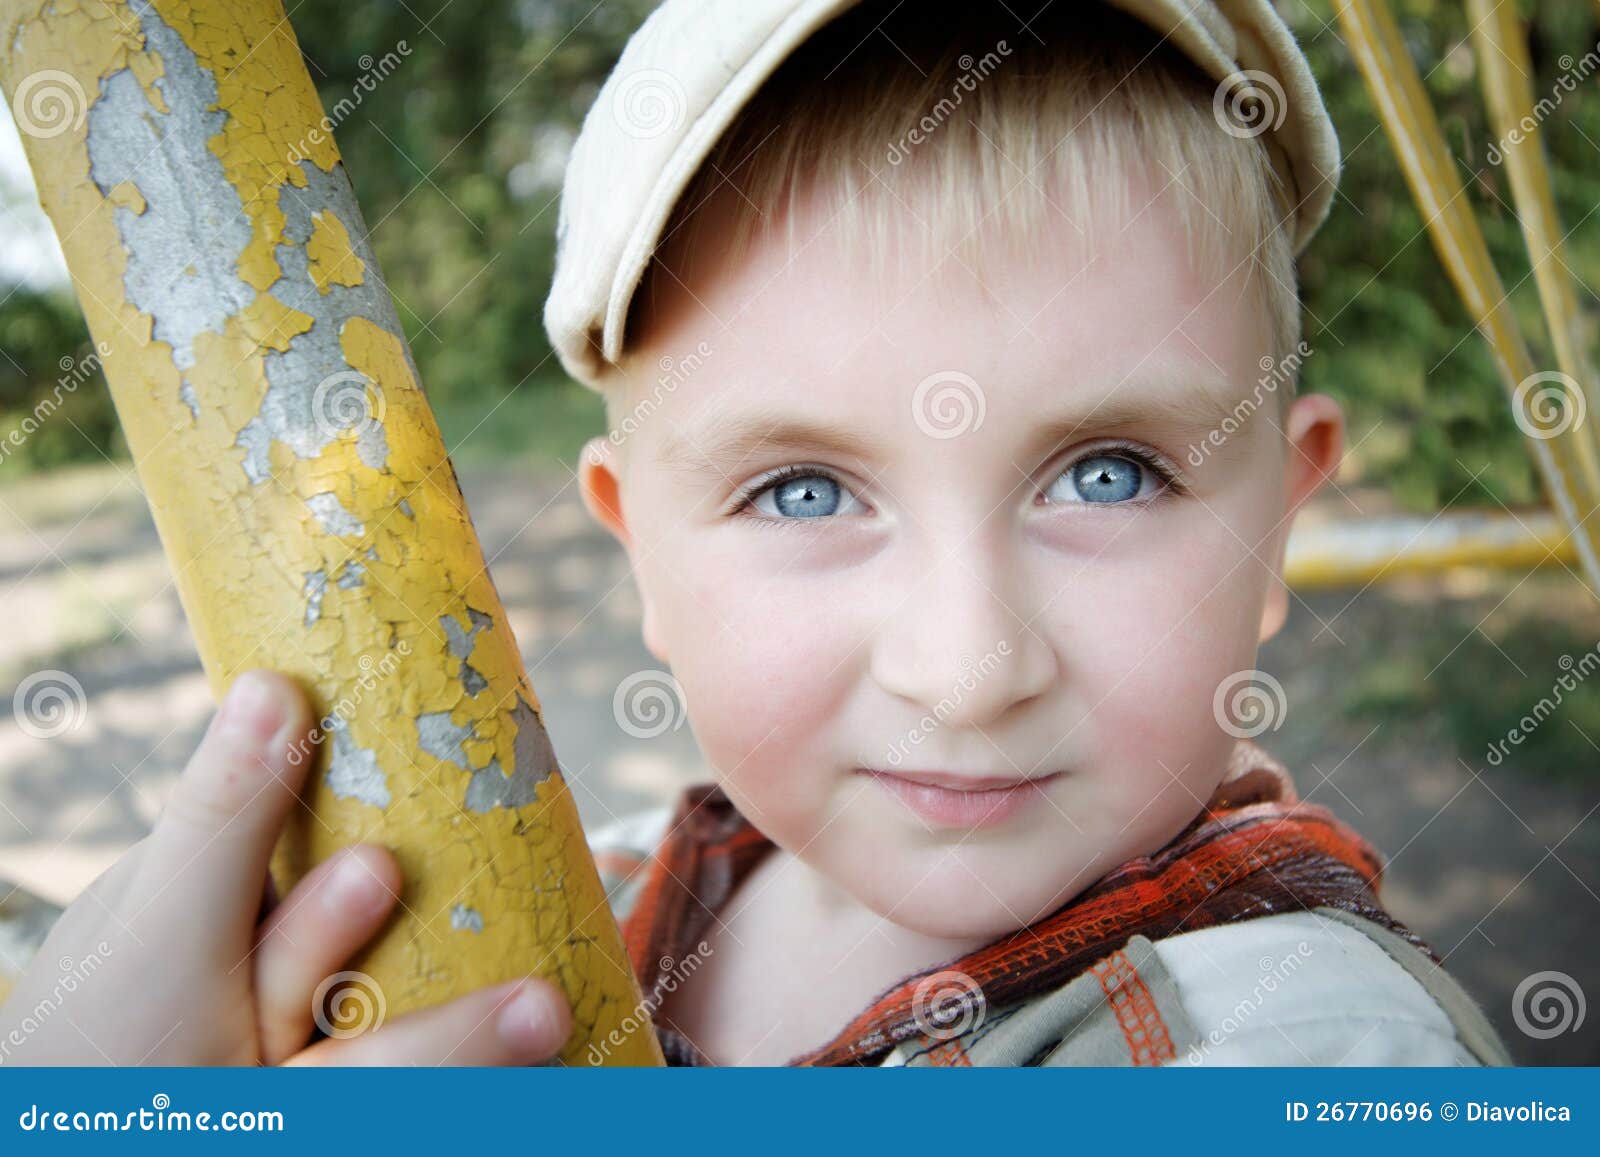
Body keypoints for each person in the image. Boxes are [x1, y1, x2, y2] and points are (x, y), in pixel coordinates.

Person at [0, 0, 1512, 1067]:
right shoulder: (560, 903)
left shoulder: (1300, 1041)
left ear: (1278, 520)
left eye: (1107, 473)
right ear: (638, 545)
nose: (967, 666)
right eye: (804, 491)